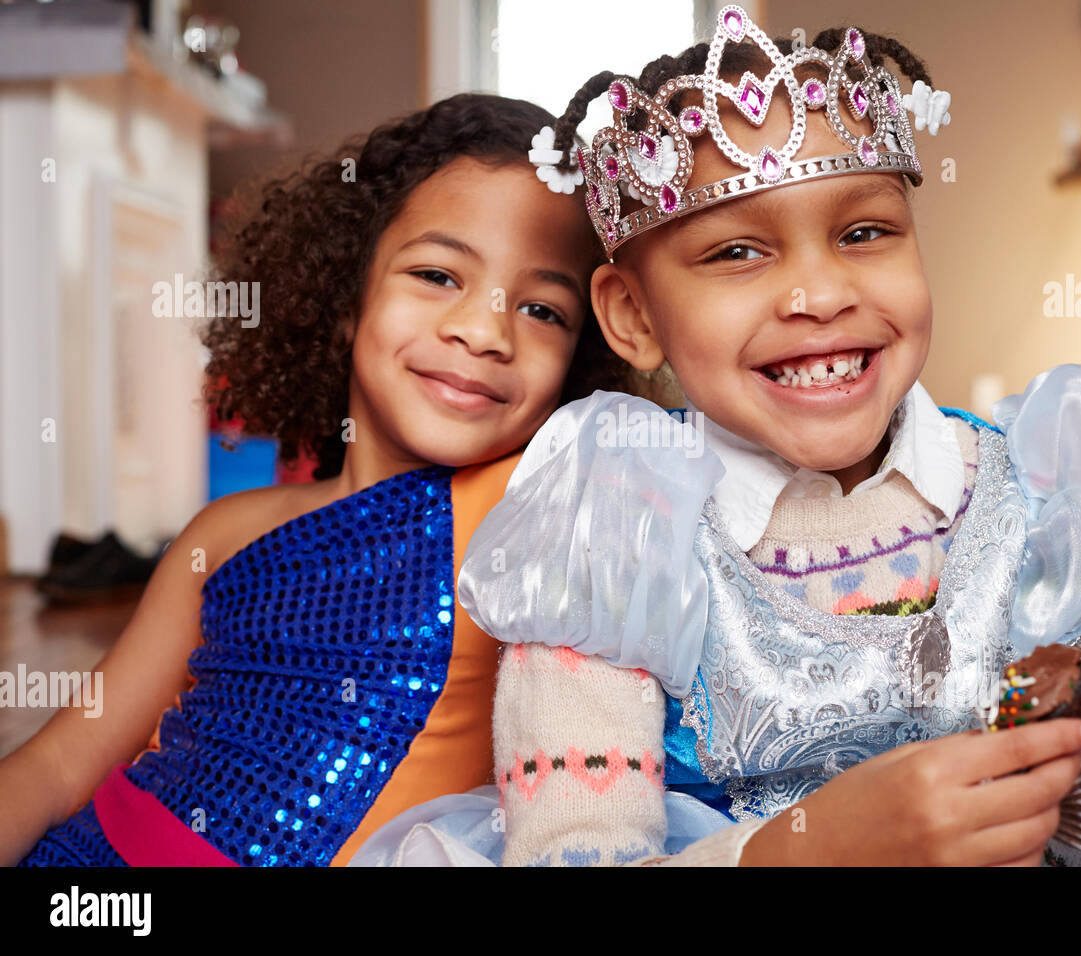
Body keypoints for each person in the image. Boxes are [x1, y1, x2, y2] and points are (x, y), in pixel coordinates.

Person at [355, 6, 1081, 868]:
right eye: (737, 254)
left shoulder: (1022, 487)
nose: (819, 295)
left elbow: (1070, 831)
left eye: (864, 233)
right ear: (632, 316)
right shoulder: (616, 534)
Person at [3, 92, 627, 866]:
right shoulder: (225, 531)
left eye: (542, 311)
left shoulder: (536, 503)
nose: (484, 330)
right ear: (344, 302)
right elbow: (63, 761)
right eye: (437, 275)